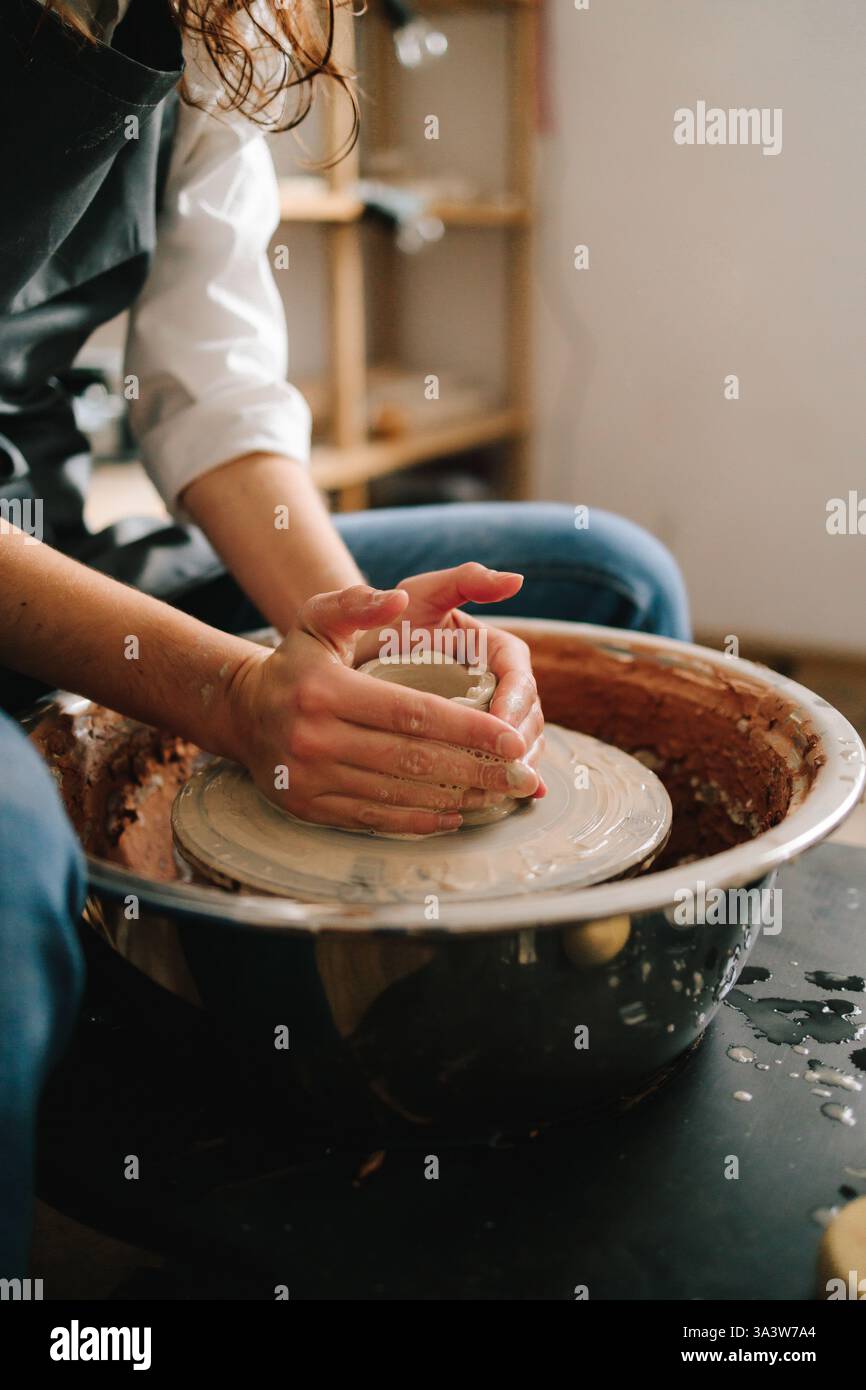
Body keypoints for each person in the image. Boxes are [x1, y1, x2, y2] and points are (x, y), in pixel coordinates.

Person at [0, 0, 690, 1275]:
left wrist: (356, 638)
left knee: (612, 588)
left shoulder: (202, 22)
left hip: (49, 532)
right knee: (10, 836)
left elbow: (207, 386)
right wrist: (223, 693)